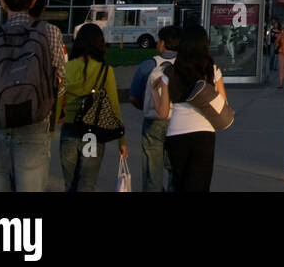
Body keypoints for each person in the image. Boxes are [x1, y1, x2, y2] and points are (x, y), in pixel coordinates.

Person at [0, 0, 67, 192]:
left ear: (2, 2)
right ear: (33, 1)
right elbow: (61, 83)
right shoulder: (50, 32)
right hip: (33, 127)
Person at [154, 25, 226, 192]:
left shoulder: (170, 72)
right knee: (200, 185)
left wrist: (153, 90)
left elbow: (163, 113)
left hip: (176, 135)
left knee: (179, 184)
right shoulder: (212, 70)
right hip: (204, 133)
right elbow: (223, 103)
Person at [58, 23, 126, 191]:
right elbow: (114, 107)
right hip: (92, 135)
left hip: (69, 131)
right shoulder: (105, 70)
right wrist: (121, 141)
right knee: (87, 183)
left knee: (70, 184)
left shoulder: (67, 68)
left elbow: (58, 102)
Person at [128, 24, 179, 192]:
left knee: (152, 169)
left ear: (162, 43)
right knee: (176, 169)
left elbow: (133, 97)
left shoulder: (148, 65)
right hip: (178, 121)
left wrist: (145, 105)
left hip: (153, 121)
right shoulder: (184, 65)